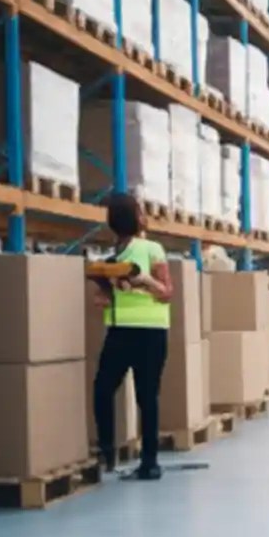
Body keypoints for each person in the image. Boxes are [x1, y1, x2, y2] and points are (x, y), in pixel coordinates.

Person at [91, 192, 174, 481]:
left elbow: (166, 293)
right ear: (136, 217)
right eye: (140, 211)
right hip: (123, 330)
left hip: (148, 332)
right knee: (106, 390)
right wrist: (105, 288)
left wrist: (144, 280)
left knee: (143, 395)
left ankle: (147, 462)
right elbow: (102, 299)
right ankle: (109, 453)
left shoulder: (152, 249)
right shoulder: (110, 258)